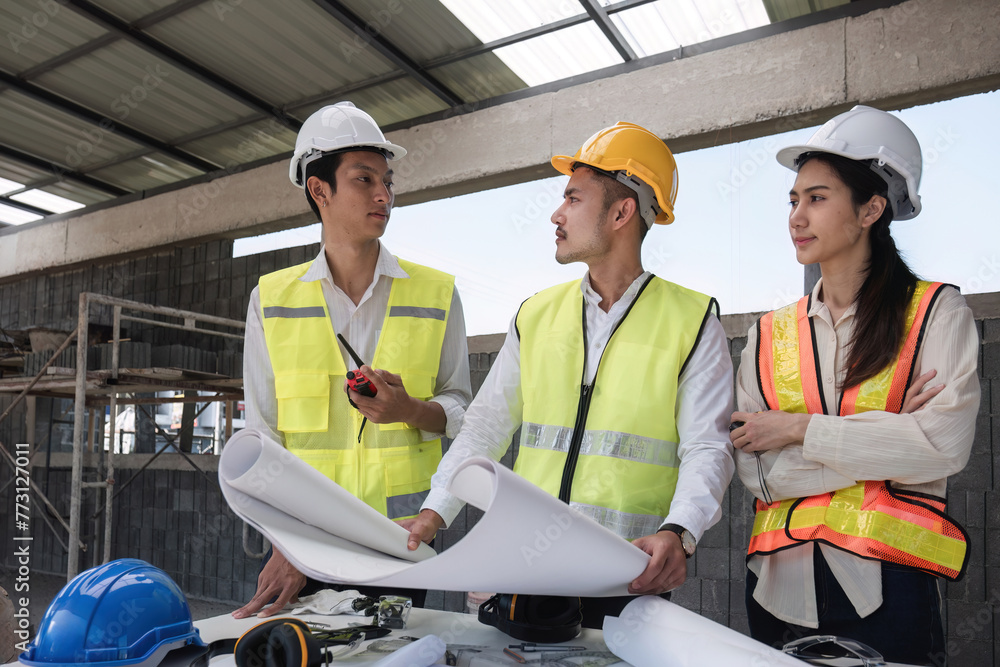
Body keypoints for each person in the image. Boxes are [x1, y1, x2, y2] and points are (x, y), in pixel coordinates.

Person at [406, 121, 735, 628]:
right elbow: (485, 427)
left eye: (573, 198)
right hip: (526, 567)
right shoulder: (536, 314)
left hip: (625, 575)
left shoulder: (693, 321)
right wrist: (435, 513)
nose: (556, 214)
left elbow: (707, 448)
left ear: (622, 212)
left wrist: (680, 531)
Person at [729, 105, 980, 664]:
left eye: (817, 198)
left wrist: (796, 430)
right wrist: (888, 442)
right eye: (793, 200)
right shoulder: (769, 333)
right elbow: (757, 472)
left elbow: (942, 447)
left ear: (871, 208)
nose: (797, 217)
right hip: (776, 589)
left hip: (891, 589)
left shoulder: (934, 313)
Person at [233, 102, 473, 619]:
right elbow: (263, 436)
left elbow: (461, 412)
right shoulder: (270, 299)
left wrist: (410, 410)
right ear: (319, 191)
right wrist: (286, 545)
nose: (384, 194)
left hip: (400, 542)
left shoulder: (437, 294)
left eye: (388, 181)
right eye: (364, 179)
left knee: (391, 654)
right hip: (309, 546)